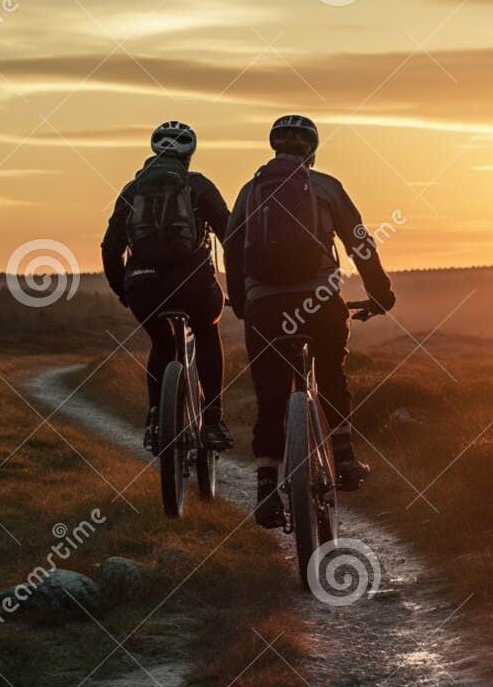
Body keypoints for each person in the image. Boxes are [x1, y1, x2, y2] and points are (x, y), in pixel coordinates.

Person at [223, 114, 396, 529]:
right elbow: (358, 242)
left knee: (270, 394)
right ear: (312, 151)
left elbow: (231, 247)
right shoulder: (325, 186)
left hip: (266, 306)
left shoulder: (251, 190)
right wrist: (381, 293)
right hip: (318, 300)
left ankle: (266, 486)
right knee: (332, 371)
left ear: (274, 148)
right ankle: (345, 457)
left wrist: (245, 300)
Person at [101, 121, 233, 454]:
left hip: (144, 286)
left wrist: (124, 291)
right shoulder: (199, 186)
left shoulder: (133, 190)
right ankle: (213, 419)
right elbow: (231, 234)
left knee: (162, 343)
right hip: (195, 285)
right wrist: (241, 287)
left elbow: (110, 247)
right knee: (206, 329)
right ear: (189, 156)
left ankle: (157, 417)